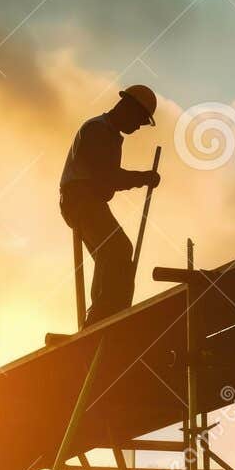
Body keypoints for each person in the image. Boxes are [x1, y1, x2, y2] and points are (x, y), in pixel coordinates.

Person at [60, 84, 161, 327]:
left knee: (111, 258)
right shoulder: (98, 130)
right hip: (81, 200)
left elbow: (107, 179)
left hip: (86, 201)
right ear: (128, 108)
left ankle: (111, 311)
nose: (138, 127)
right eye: (139, 120)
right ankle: (102, 316)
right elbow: (106, 177)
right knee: (118, 251)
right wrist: (142, 178)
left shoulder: (110, 135)